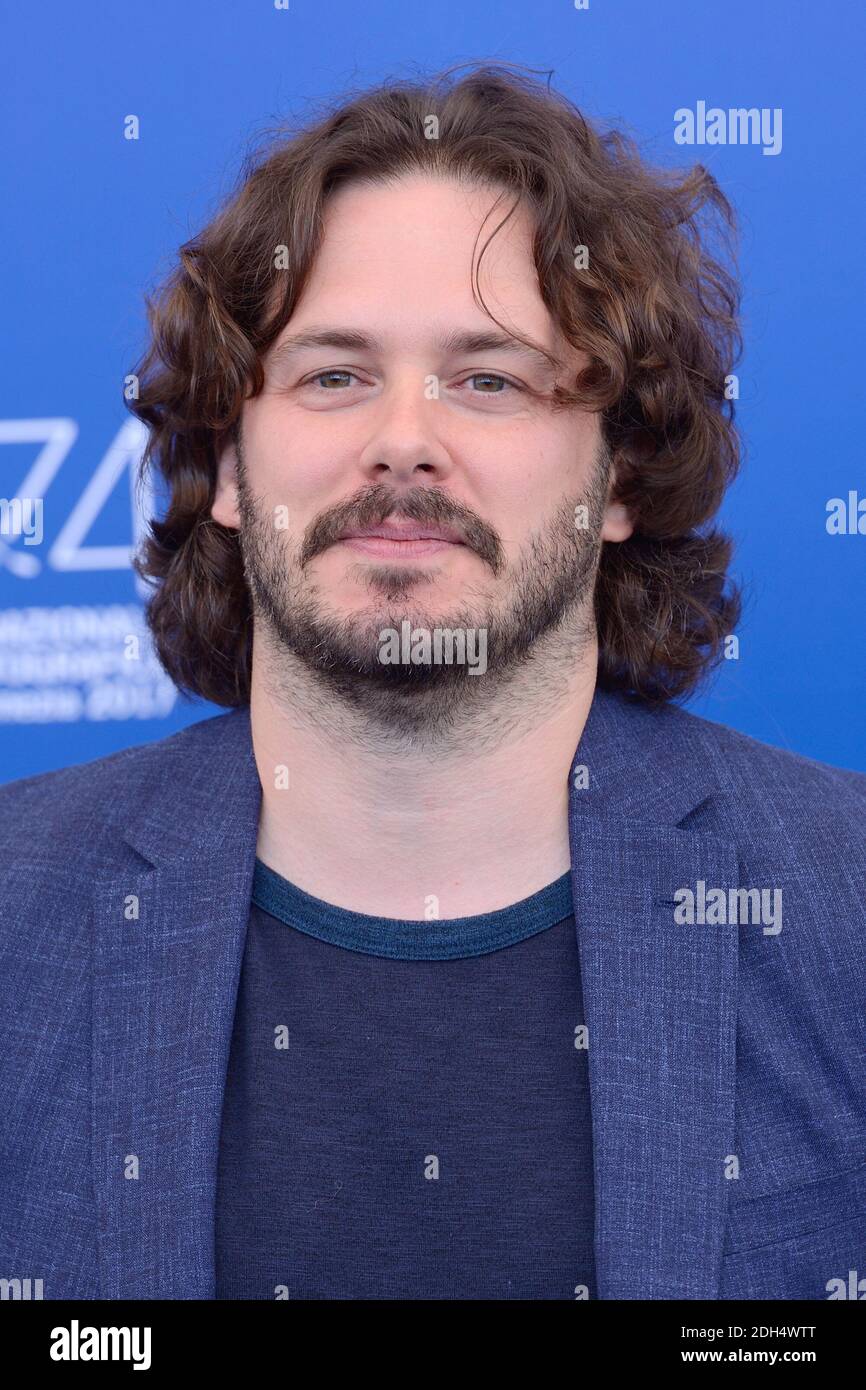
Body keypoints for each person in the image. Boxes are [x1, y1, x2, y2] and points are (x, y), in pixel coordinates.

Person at [1, 64, 863, 1302]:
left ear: (615, 482)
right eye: (333, 374)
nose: (404, 437)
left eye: (489, 379)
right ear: (230, 472)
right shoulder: (14, 920)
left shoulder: (843, 913)